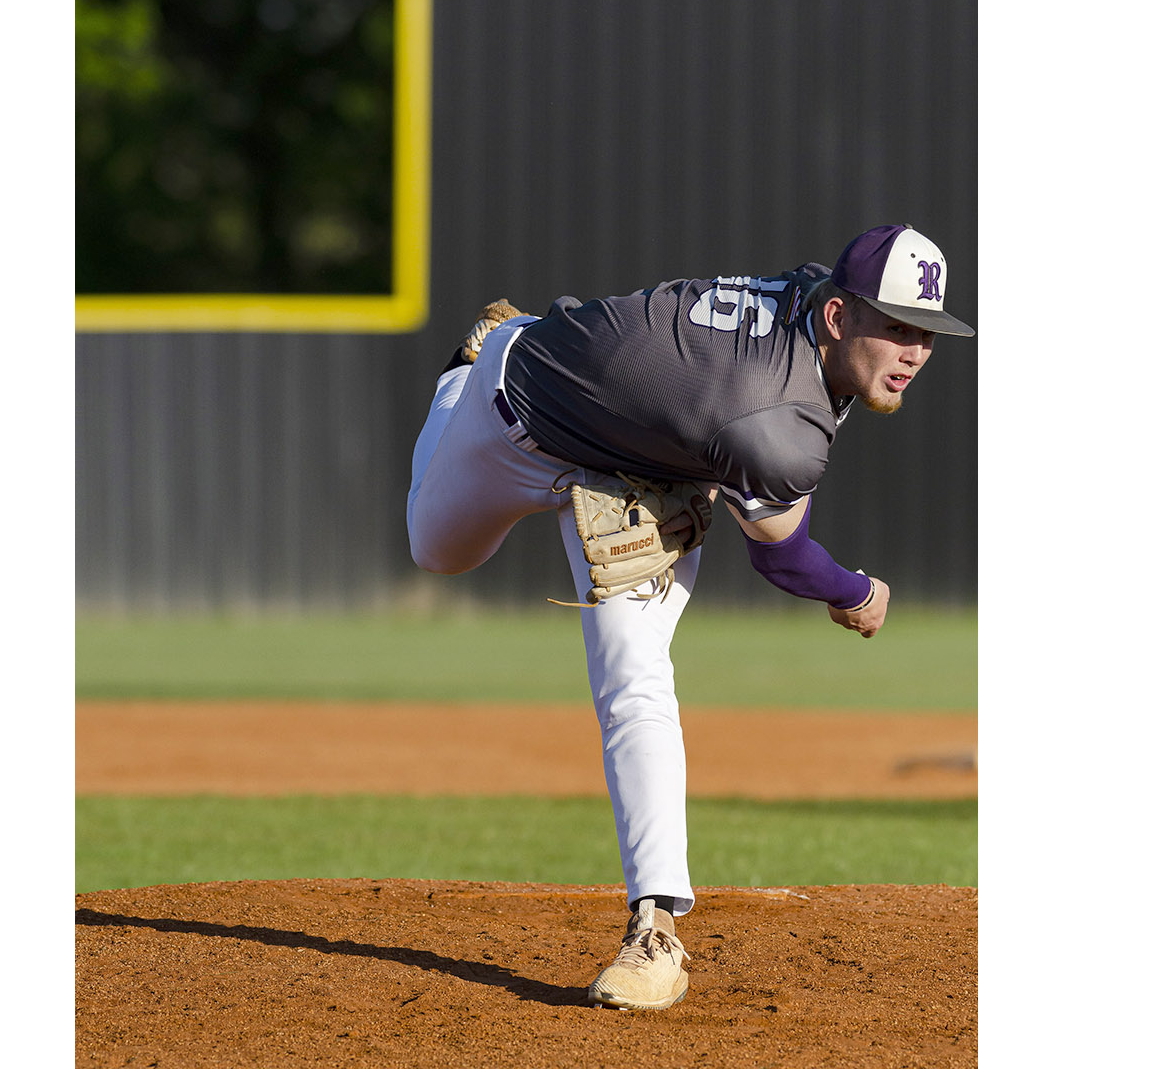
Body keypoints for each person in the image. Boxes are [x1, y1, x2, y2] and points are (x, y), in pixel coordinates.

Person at [405, 223, 974, 1011]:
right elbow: (781, 555)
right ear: (840, 318)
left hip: (637, 472)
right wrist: (857, 592)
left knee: (635, 680)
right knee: (438, 552)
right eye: (899, 329)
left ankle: (654, 930)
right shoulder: (772, 426)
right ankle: (474, 356)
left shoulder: (814, 308)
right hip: (516, 411)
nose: (916, 352)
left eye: (930, 334)